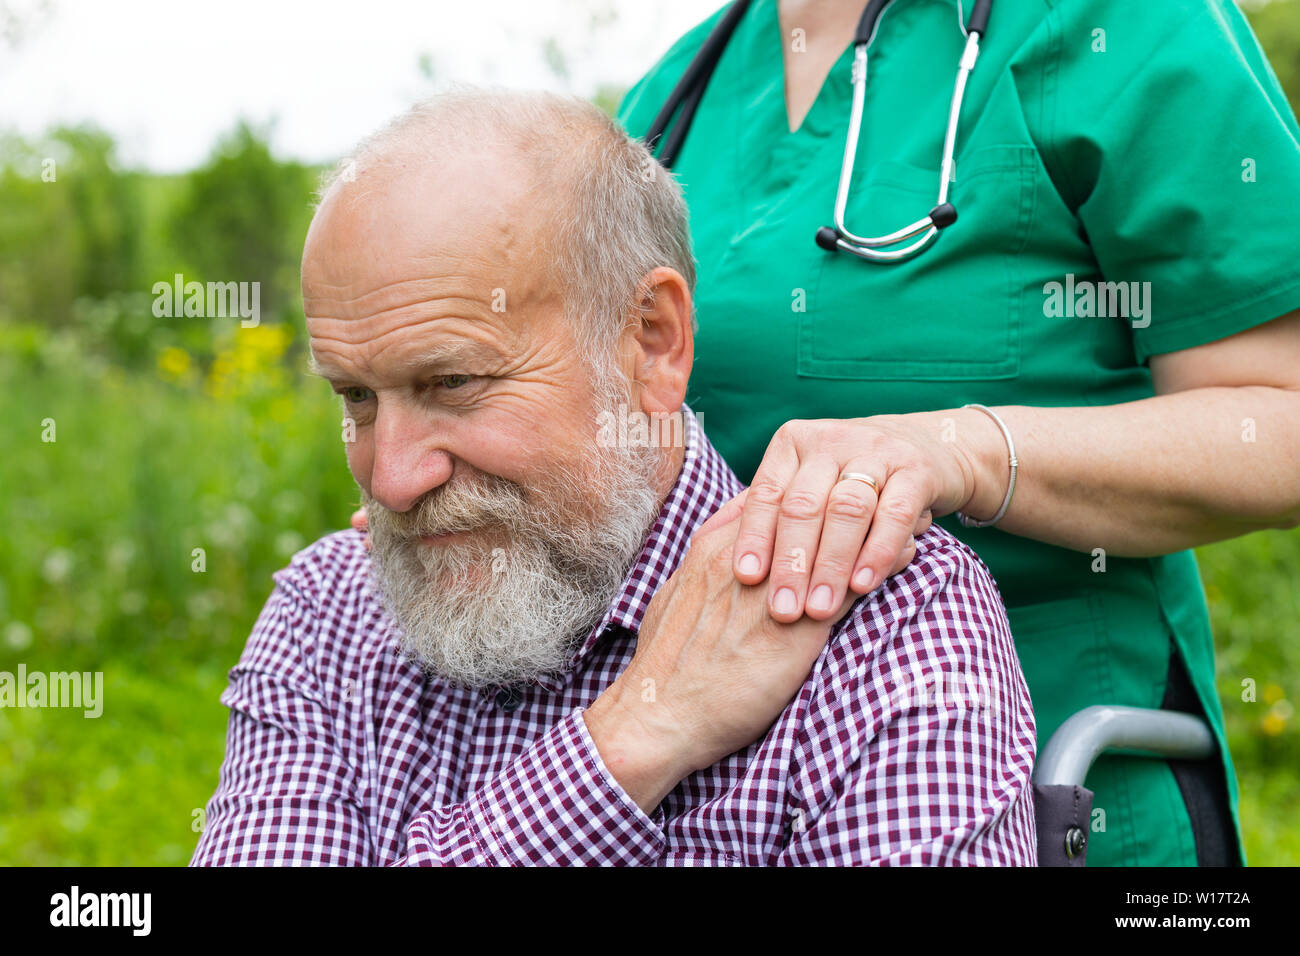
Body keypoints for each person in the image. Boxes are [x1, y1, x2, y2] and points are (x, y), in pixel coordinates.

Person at [191, 89, 1037, 866]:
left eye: (452, 383)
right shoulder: (334, 611)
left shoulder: (879, 621)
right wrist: (634, 737)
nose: (395, 478)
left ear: (652, 341)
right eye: (357, 398)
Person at [602, 0, 1300, 865]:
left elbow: (1278, 419)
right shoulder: (675, 96)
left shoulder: (1115, 23)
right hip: (717, 817)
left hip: (1059, 797)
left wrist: (962, 451)